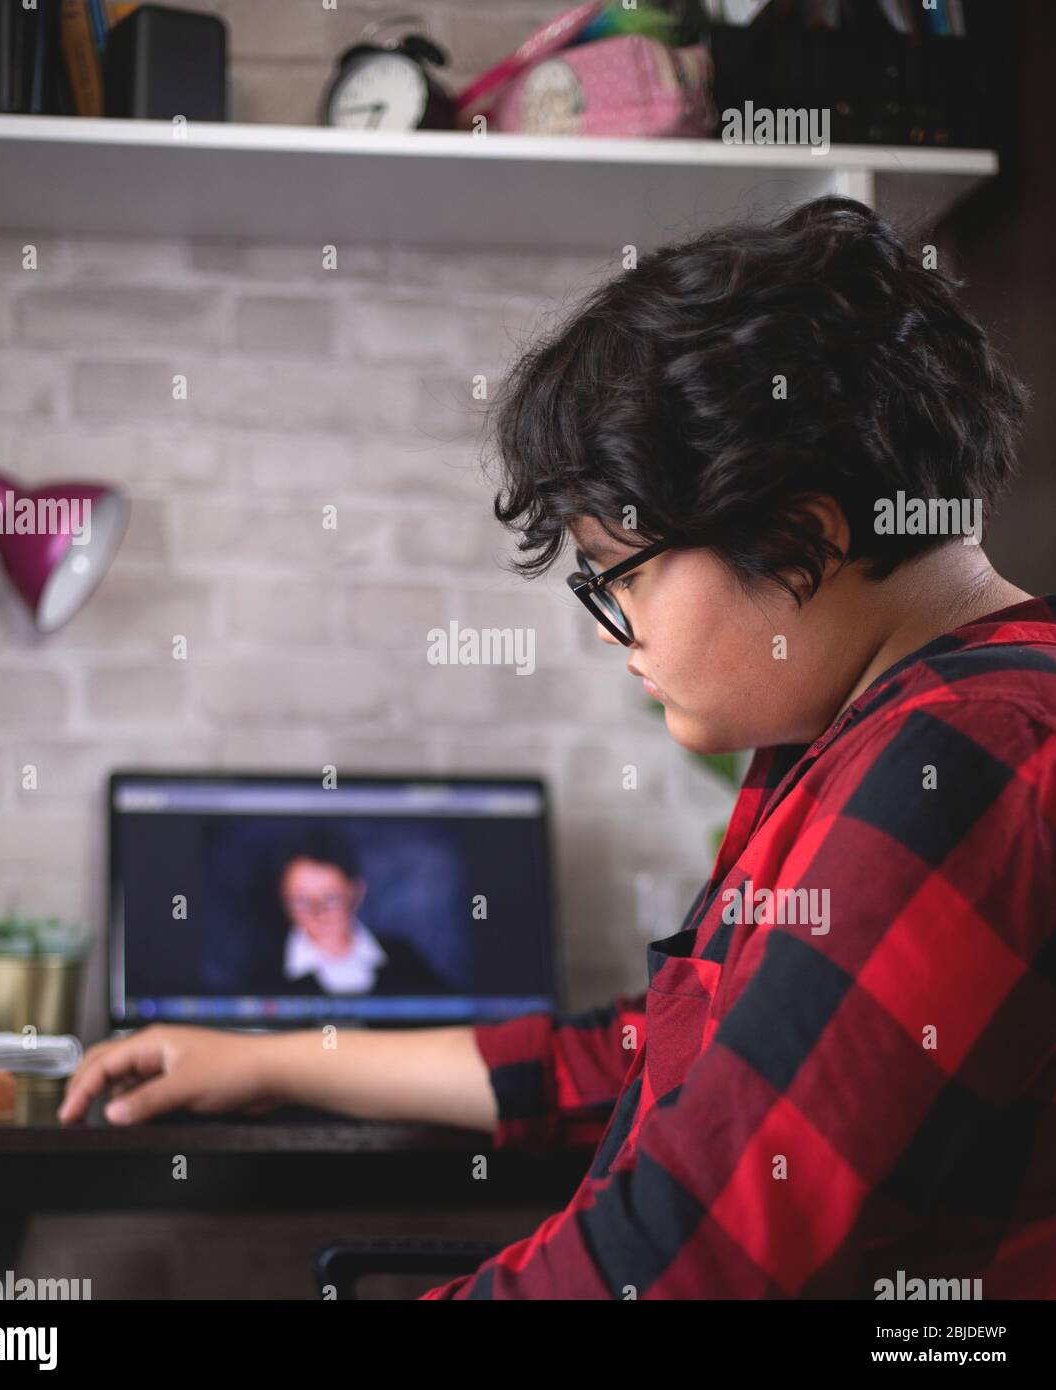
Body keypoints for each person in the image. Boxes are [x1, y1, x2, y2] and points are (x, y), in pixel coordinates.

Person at [59, 197, 1056, 1300]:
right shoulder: (879, 724)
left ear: (796, 540)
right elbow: (655, 1053)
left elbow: (687, 1258)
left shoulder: (960, 760)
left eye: (617, 572)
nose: (602, 625)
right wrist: (274, 1057)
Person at [274, 825, 448, 996]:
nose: (318, 914)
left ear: (356, 893)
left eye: (331, 898)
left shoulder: (405, 962)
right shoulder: (266, 977)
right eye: (301, 901)